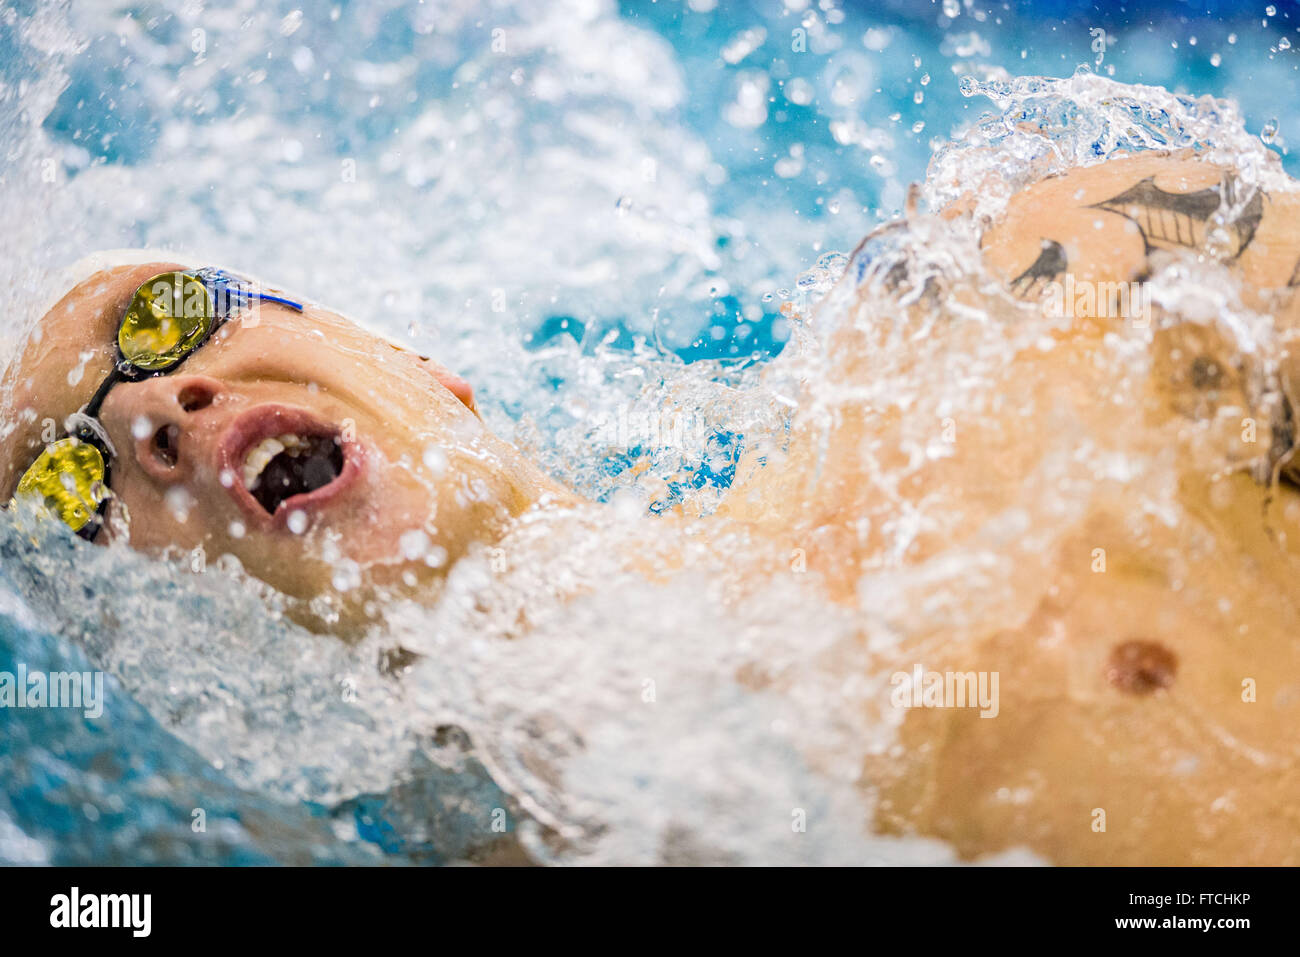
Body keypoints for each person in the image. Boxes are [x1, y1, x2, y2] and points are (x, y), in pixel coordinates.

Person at [4, 149, 1299, 865]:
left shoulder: (1001, 321)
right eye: (74, 485)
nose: (153, 412)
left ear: (415, 360)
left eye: (163, 320)